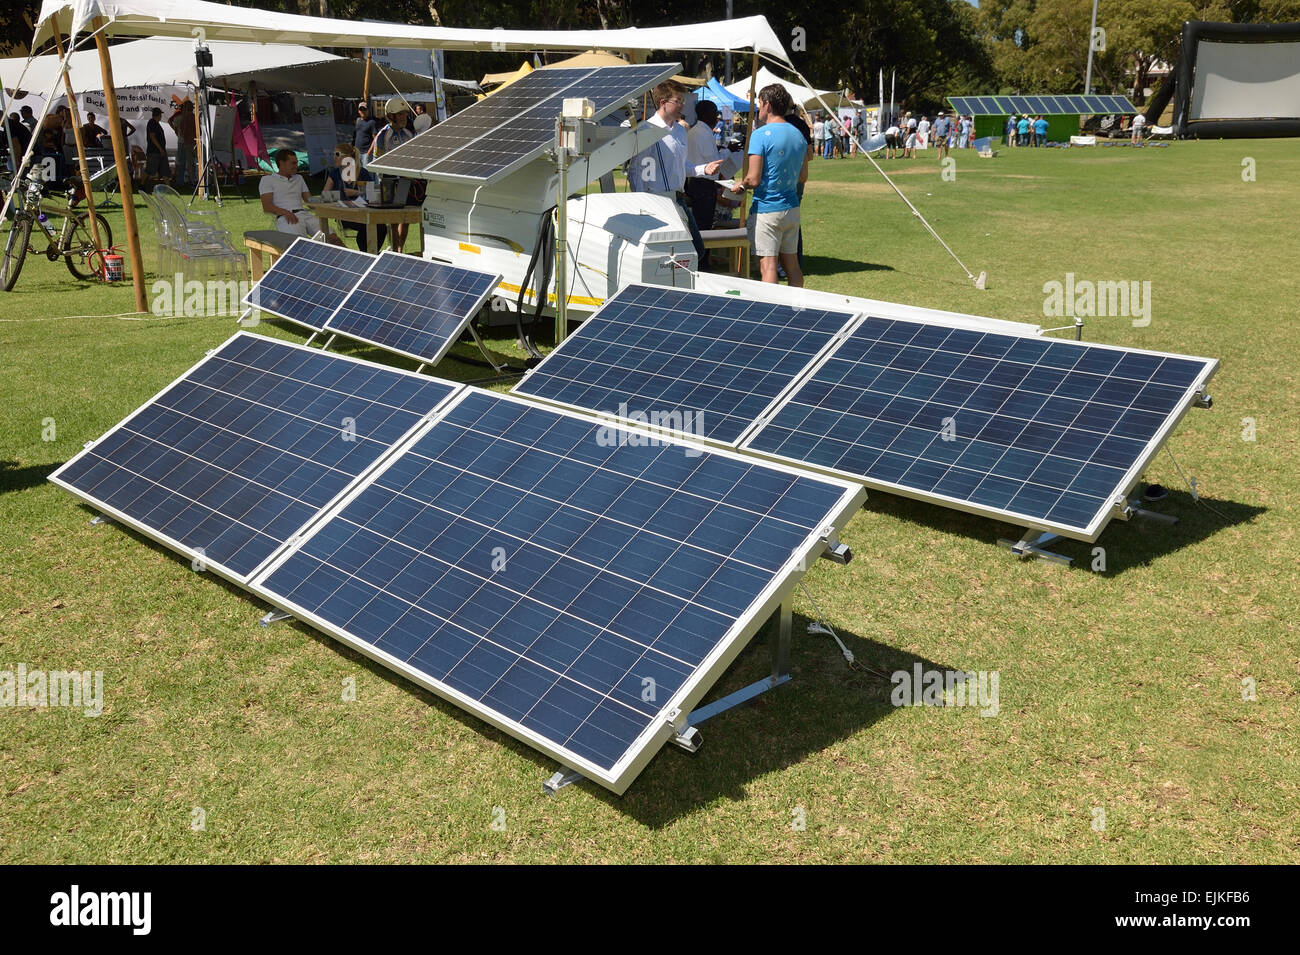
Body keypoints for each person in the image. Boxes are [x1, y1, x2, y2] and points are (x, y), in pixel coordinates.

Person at [628, 79, 720, 265]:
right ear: (663, 102)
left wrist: (704, 169)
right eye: (678, 101)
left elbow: (681, 166)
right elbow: (637, 171)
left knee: (696, 250)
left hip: (677, 199)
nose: (682, 106)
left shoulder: (680, 130)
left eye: (683, 101)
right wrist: (642, 202)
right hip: (655, 201)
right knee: (664, 253)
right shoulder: (646, 130)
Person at [727, 83, 807, 286]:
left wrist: (741, 186)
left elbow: (753, 178)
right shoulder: (798, 134)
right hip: (791, 209)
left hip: (767, 210)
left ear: (767, 104)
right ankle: (796, 309)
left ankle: (773, 315)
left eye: (759, 104)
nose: (758, 109)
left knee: (768, 267)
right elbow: (803, 176)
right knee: (793, 267)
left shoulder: (760, 134)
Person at [683, 99, 737, 256]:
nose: (717, 118)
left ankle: (701, 256)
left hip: (694, 181)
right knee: (704, 224)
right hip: (704, 184)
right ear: (706, 114)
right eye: (715, 114)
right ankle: (703, 259)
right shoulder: (704, 133)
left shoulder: (694, 131)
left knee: (699, 222)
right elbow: (715, 162)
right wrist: (729, 150)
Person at [365, 96, 417, 252]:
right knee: (393, 219)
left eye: (404, 114)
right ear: (391, 116)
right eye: (400, 114)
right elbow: (375, 163)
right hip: (388, 181)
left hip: (405, 180)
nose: (404, 117)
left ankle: (400, 250)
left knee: (405, 218)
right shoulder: (383, 135)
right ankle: (394, 250)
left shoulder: (409, 134)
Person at [260, 147, 342, 244]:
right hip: (285, 217)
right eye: (293, 163)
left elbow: (310, 201)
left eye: (297, 162)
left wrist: (332, 197)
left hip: (304, 214)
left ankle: (353, 259)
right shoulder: (267, 180)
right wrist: (285, 213)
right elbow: (267, 206)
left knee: (332, 237)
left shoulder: (299, 178)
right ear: (281, 163)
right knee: (300, 245)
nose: (296, 166)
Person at [324, 142, 387, 252]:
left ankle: (369, 254)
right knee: (372, 228)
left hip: (363, 212)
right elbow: (324, 195)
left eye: (337, 154)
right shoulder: (334, 173)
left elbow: (375, 195)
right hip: (346, 215)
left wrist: (356, 193)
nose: (334, 157)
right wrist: (341, 197)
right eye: (333, 154)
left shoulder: (362, 172)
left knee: (381, 227)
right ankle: (369, 255)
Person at [169, 100, 197, 188]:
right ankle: (189, 181)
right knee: (189, 162)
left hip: (183, 142)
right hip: (189, 142)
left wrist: (177, 131)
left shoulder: (181, 117)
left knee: (182, 162)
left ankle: (181, 181)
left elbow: (171, 121)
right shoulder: (189, 116)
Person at [144, 107, 170, 184]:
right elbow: (152, 137)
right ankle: (142, 184)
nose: (161, 116)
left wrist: (162, 150)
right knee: (149, 170)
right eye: (160, 115)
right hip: (154, 152)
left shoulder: (156, 123)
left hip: (160, 151)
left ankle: (168, 187)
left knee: (165, 169)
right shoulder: (152, 123)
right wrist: (160, 149)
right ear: (158, 115)